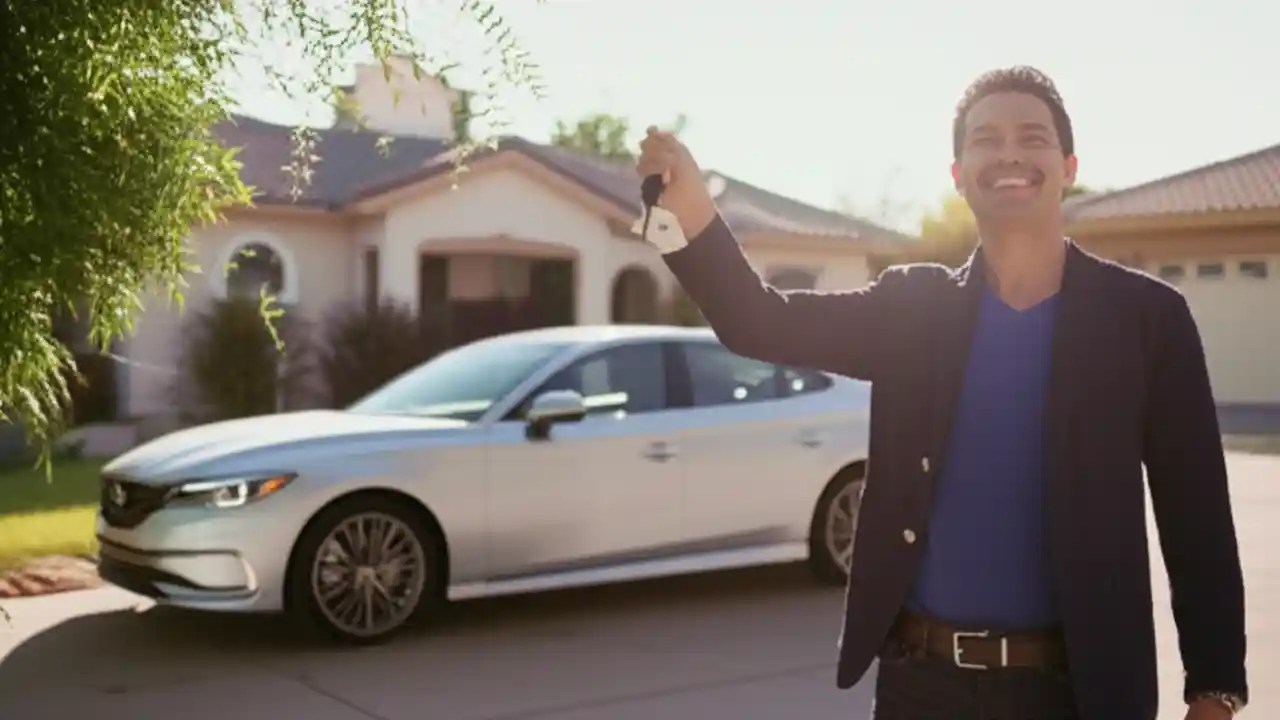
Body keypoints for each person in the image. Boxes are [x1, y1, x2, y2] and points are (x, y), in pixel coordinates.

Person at [635, 66, 1247, 720]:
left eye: (1031, 137)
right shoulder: (912, 308)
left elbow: (1197, 516)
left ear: (1068, 166)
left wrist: (1213, 693)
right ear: (958, 175)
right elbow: (760, 320)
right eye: (986, 138)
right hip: (921, 689)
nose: (1009, 152)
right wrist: (693, 217)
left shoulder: (1147, 319)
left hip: (1078, 694)